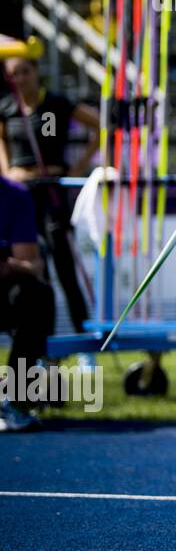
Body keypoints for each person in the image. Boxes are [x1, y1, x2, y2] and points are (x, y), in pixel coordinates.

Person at [0, 39, 98, 334]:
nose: (19, 79)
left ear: (36, 71)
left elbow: (101, 127)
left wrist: (77, 168)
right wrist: (8, 172)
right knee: (31, 267)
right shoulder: (6, 107)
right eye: (13, 73)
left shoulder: (54, 105)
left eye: (25, 72)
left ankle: (84, 335)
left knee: (64, 264)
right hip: (21, 195)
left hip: (50, 193)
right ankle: (43, 334)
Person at [0, 175, 55, 432]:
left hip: (5, 288)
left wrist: (8, 265)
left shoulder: (14, 195)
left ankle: (13, 398)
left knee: (36, 296)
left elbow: (32, 263)